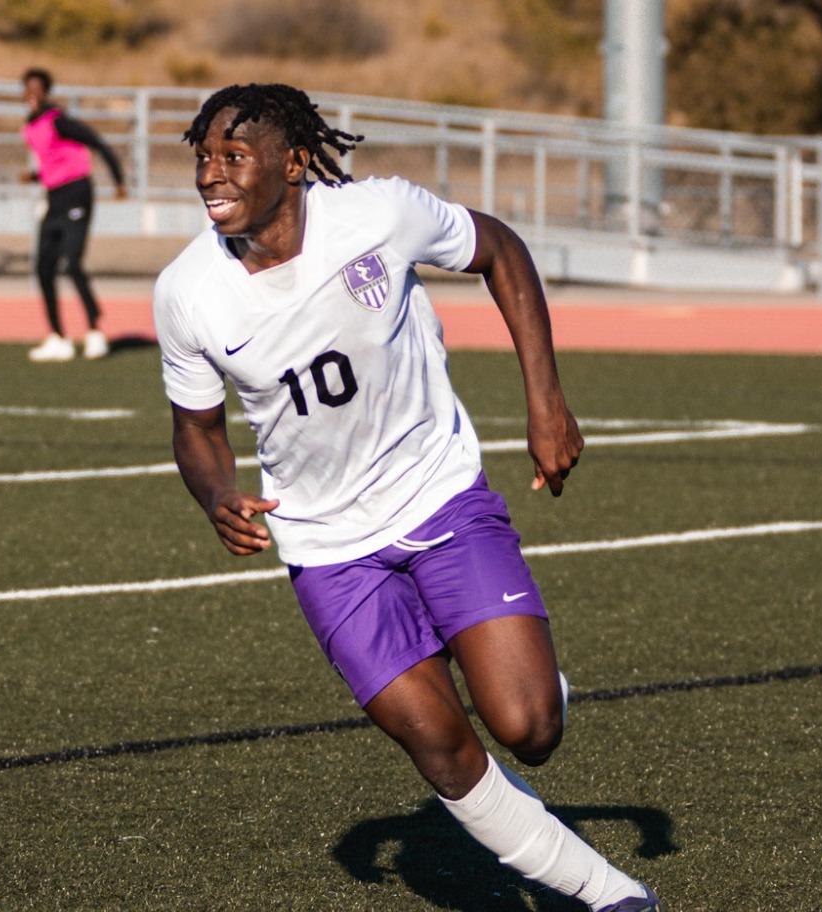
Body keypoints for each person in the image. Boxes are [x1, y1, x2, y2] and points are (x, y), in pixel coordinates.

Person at [153, 83, 663, 912]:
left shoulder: (377, 215)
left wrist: (546, 404)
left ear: (290, 164)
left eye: (232, 157)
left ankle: (533, 680)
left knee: (528, 729)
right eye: (202, 158)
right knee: (436, 740)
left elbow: (499, 249)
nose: (210, 174)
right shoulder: (187, 290)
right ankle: (609, 895)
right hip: (326, 547)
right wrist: (215, 493)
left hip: (438, 496)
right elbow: (195, 426)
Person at [20, 67, 128, 362]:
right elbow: (53, 159)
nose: (32, 94)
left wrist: (118, 180)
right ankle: (58, 337)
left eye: (37, 88)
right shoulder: (31, 126)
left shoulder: (60, 121)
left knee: (71, 263)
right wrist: (34, 176)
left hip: (77, 193)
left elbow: (97, 143)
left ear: (46, 92)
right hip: (54, 198)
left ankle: (95, 331)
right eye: (27, 88)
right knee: (43, 266)